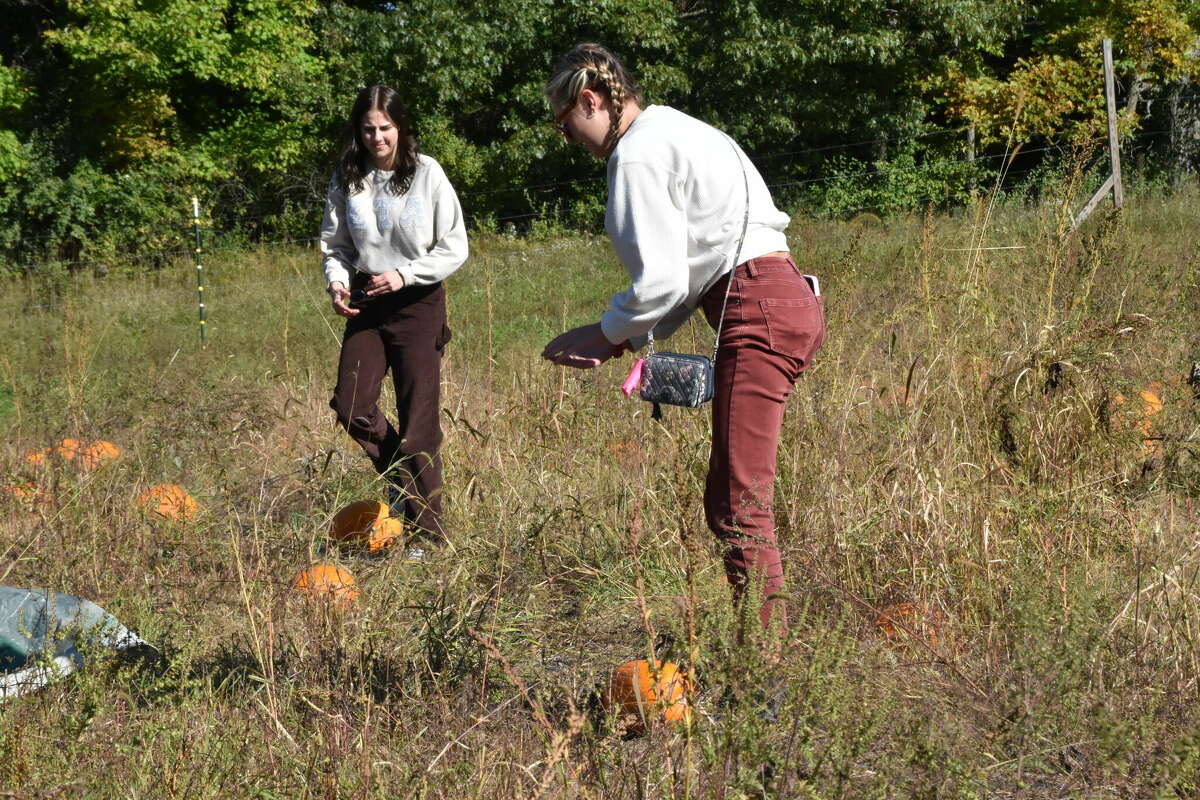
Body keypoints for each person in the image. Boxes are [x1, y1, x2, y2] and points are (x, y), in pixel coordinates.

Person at [540, 44, 826, 636]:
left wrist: (607, 333)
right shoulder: (682, 128)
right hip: (780, 296)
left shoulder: (638, 153)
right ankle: (761, 652)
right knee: (730, 494)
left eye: (564, 123)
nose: (569, 139)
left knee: (738, 503)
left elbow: (664, 281)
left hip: (755, 305)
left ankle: (764, 675)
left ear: (590, 100)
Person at [320, 85, 468, 556]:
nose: (377, 137)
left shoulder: (427, 174)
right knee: (351, 404)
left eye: (385, 127)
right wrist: (338, 283)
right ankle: (404, 485)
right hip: (366, 299)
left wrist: (405, 275)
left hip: (418, 302)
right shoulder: (348, 178)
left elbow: (454, 245)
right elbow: (335, 245)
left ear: (400, 127)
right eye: (368, 128)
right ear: (357, 130)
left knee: (417, 422)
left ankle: (428, 535)